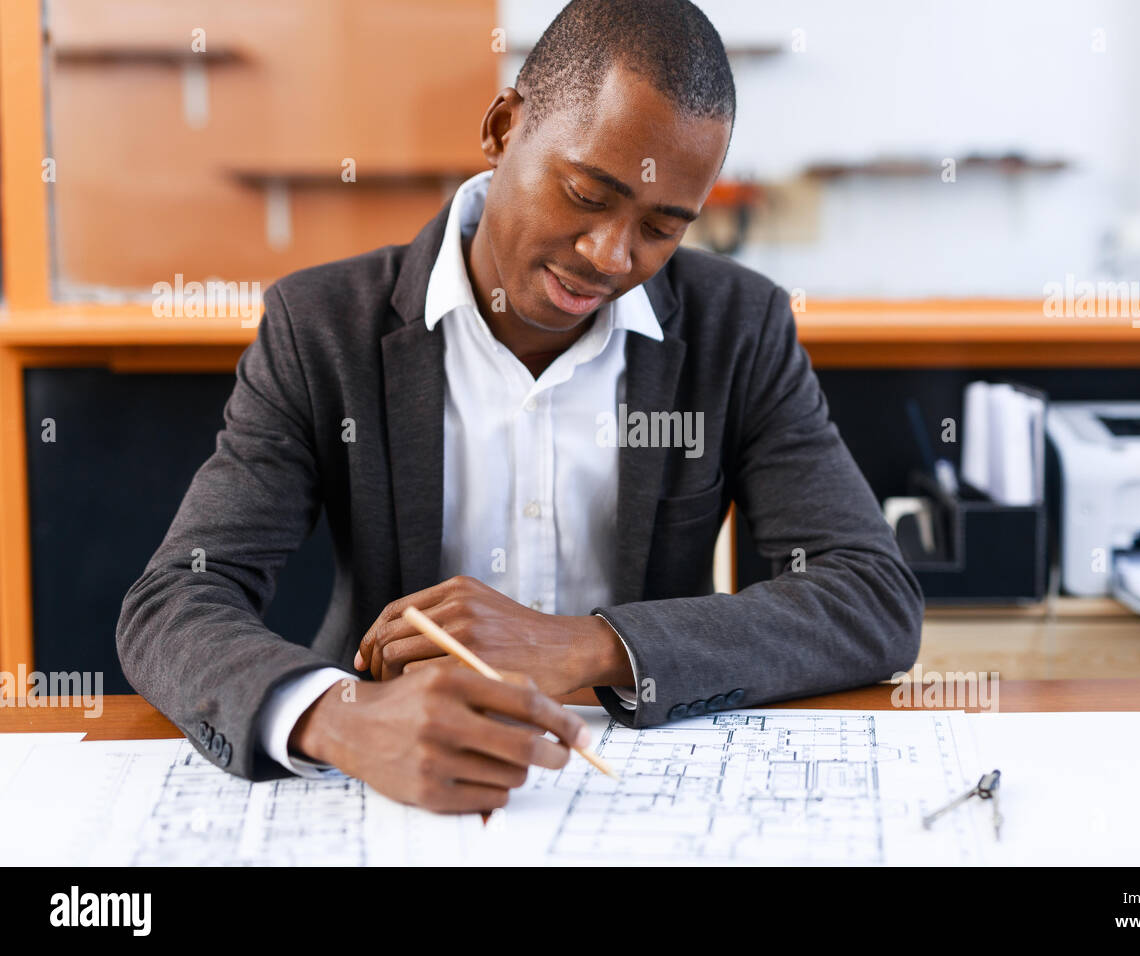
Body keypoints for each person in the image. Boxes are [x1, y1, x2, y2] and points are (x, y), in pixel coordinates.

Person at [117, 0, 924, 814]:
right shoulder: (325, 327)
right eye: (586, 194)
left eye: (661, 227)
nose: (610, 256)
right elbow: (176, 601)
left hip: (641, 792)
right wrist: (344, 718)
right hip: (390, 786)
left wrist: (590, 646)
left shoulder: (737, 328)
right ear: (504, 128)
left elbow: (868, 594)